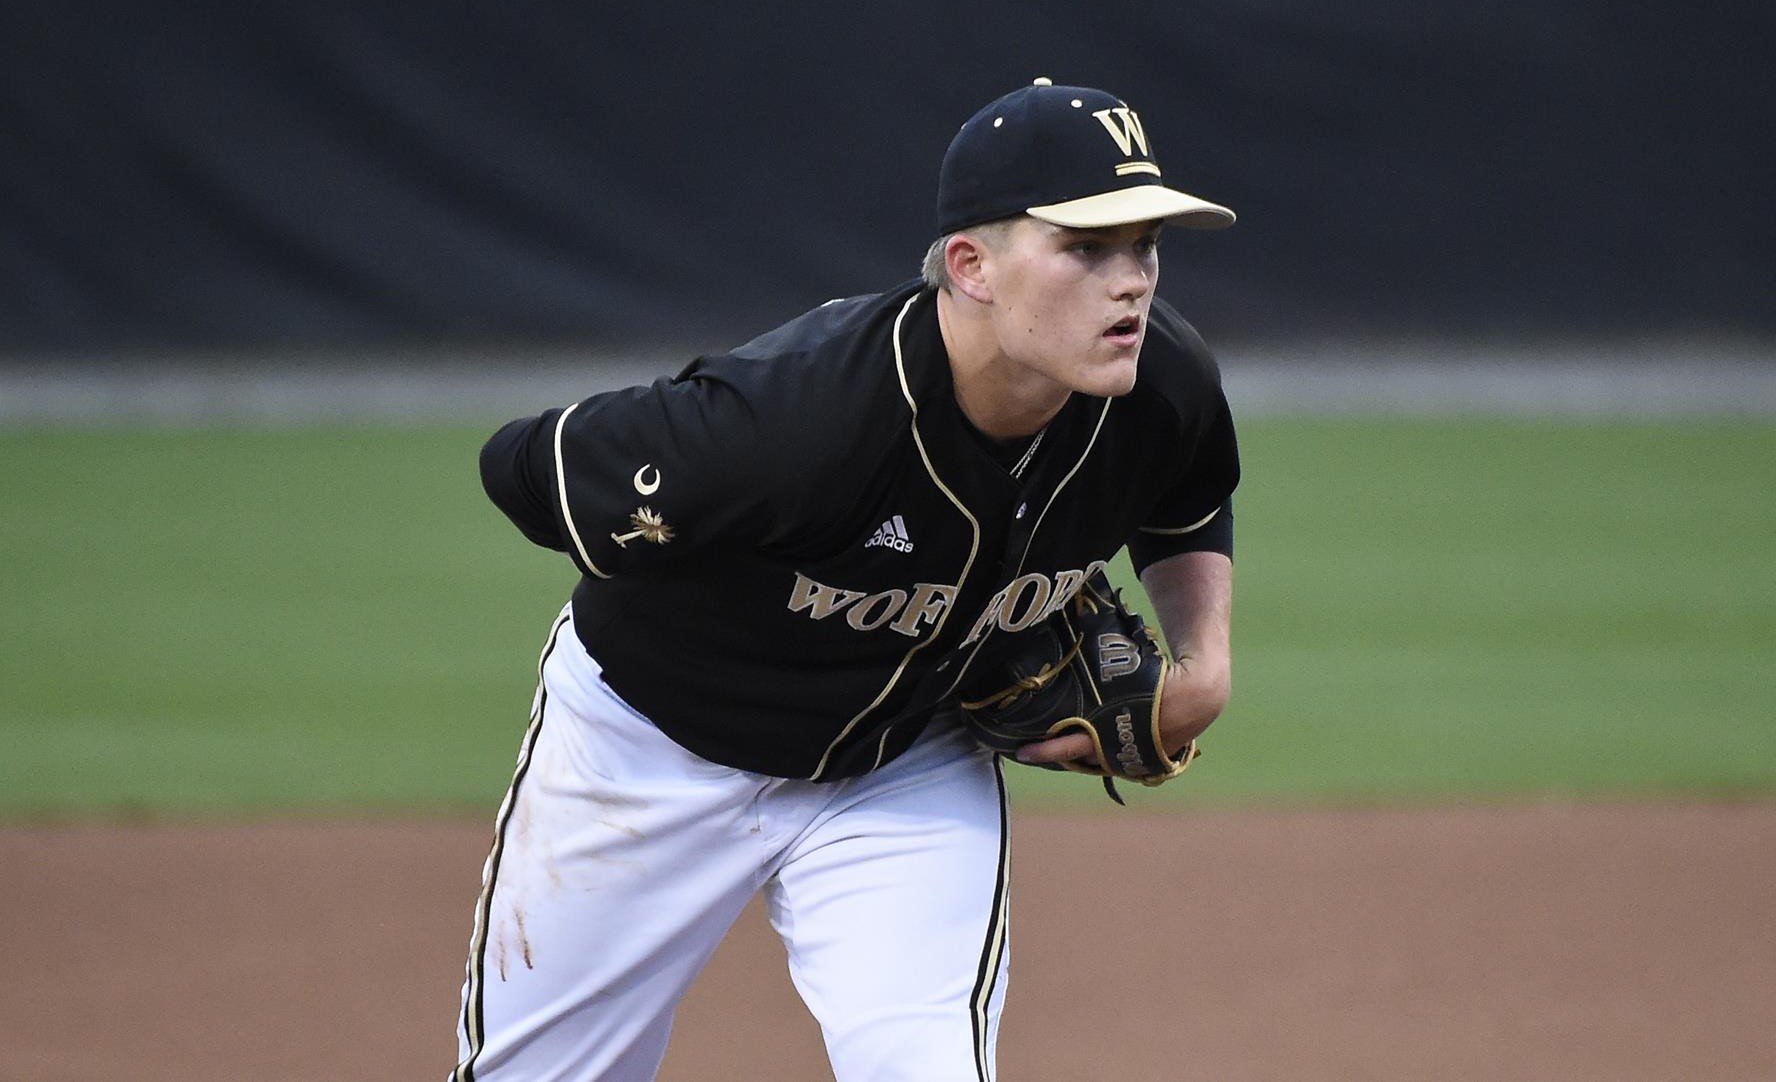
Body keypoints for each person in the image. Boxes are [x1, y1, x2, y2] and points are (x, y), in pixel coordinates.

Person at [452, 76, 1241, 1082]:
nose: (1130, 280)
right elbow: (523, 464)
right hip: (649, 754)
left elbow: (1187, 499)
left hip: (899, 762)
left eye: (1143, 245)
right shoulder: (792, 419)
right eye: (1086, 248)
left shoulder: (1159, 383)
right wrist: (665, 537)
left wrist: (1203, 663)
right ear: (972, 265)